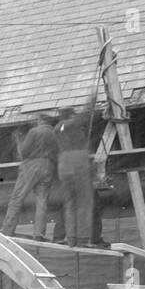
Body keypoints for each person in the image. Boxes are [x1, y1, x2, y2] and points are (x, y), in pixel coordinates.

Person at [50, 106, 106, 247]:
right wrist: (95, 101)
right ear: (71, 115)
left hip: (63, 167)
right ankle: (83, 239)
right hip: (77, 164)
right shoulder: (73, 125)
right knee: (85, 204)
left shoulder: (56, 129)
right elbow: (86, 113)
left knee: (69, 204)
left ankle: (70, 238)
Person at [0, 113, 59, 241]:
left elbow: (23, 152)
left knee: (17, 197)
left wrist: (18, 140)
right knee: (42, 200)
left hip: (32, 165)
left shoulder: (34, 132)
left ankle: (7, 229)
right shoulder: (55, 134)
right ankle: (39, 233)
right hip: (48, 166)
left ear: (41, 121)